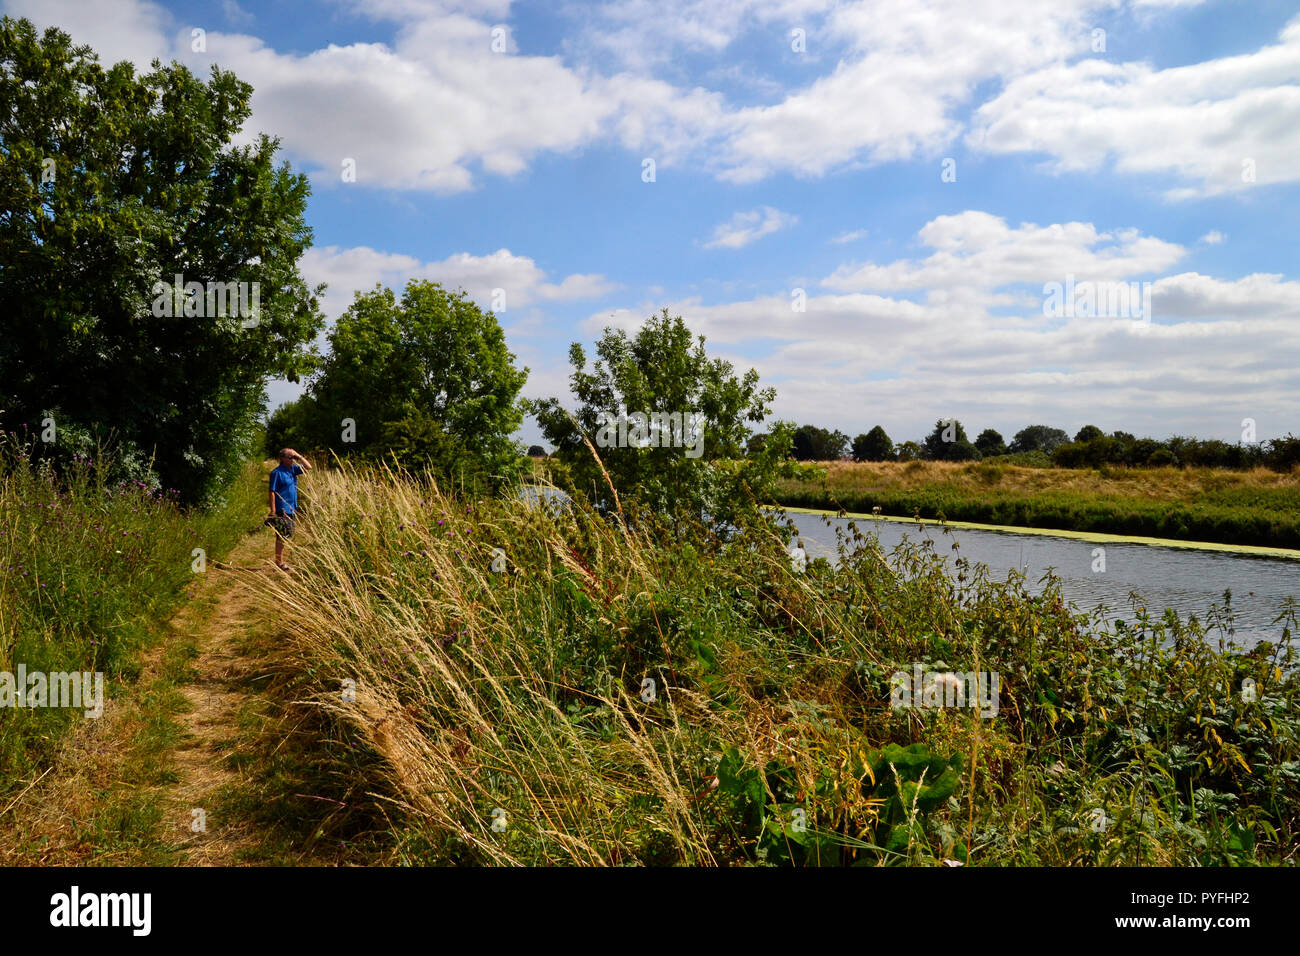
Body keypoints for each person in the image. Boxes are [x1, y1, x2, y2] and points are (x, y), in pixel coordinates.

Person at [268, 448, 311, 569]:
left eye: (293, 458)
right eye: (290, 457)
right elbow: (272, 492)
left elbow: (309, 467)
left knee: (287, 534)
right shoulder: (276, 472)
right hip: (282, 508)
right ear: (282, 458)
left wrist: (298, 455)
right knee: (282, 535)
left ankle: (279, 560)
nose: (293, 460)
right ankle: (279, 562)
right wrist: (273, 510)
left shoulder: (293, 469)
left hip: (292, 507)